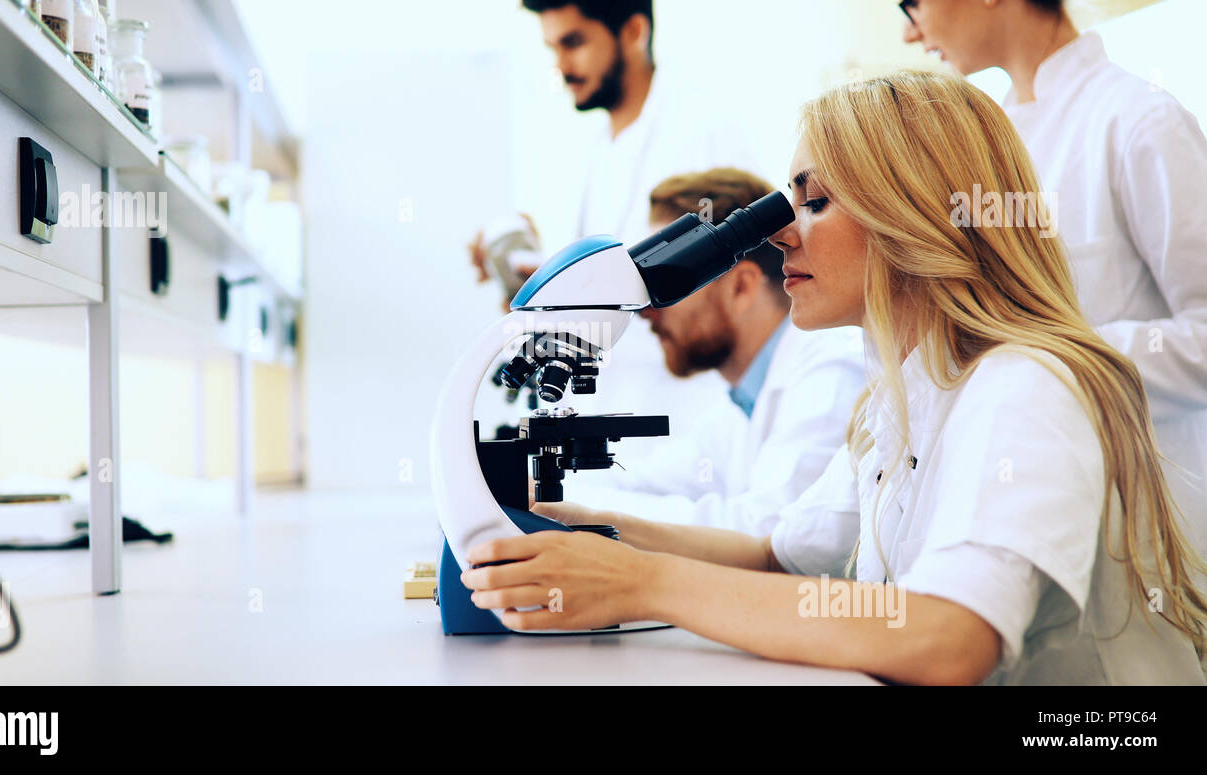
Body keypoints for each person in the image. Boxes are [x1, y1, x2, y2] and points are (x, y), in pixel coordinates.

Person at [461, 71, 1207, 685]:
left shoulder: (1025, 386)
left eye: (813, 202)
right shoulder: (899, 395)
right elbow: (777, 554)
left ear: (915, 215)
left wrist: (642, 583)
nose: (782, 232)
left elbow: (952, 636)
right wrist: (585, 532)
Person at [901, 0, 1207, 553]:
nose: (907, 30)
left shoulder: (1139, 121)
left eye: (911, 4)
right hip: (1020, 517)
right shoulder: (982, 149)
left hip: (1148, 521)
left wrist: (1046, 356)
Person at [469, 0, 766, 447]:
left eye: (574, 43)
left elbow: (733, 280)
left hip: (688, 414)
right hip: (608, 406)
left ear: (632, 31)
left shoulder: (706, 131)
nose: (562, 67)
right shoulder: (592, 146)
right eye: (553, 48)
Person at [562, 168, 865, 535]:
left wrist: (567, 511)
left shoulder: (830, 371)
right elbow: (642, 483)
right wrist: (533, 492)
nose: (644, 310)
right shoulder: (740, 403)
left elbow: (769, 533)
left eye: (663, 282)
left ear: (741, 287)